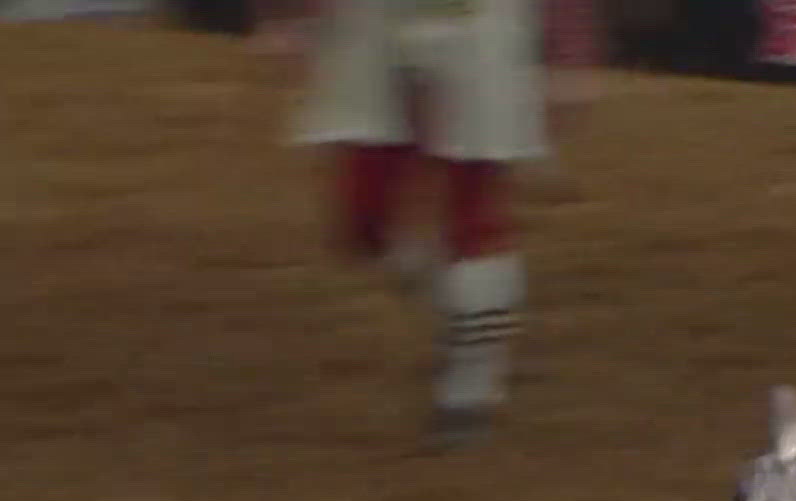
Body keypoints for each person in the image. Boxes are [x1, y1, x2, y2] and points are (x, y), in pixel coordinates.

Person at [252, 0, 603, 447]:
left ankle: (470, 379)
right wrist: (287, 15)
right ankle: (467, 319)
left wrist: (569, 49)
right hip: (375, 24)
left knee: (472, 208)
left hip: (477, 26)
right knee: (367, 224)